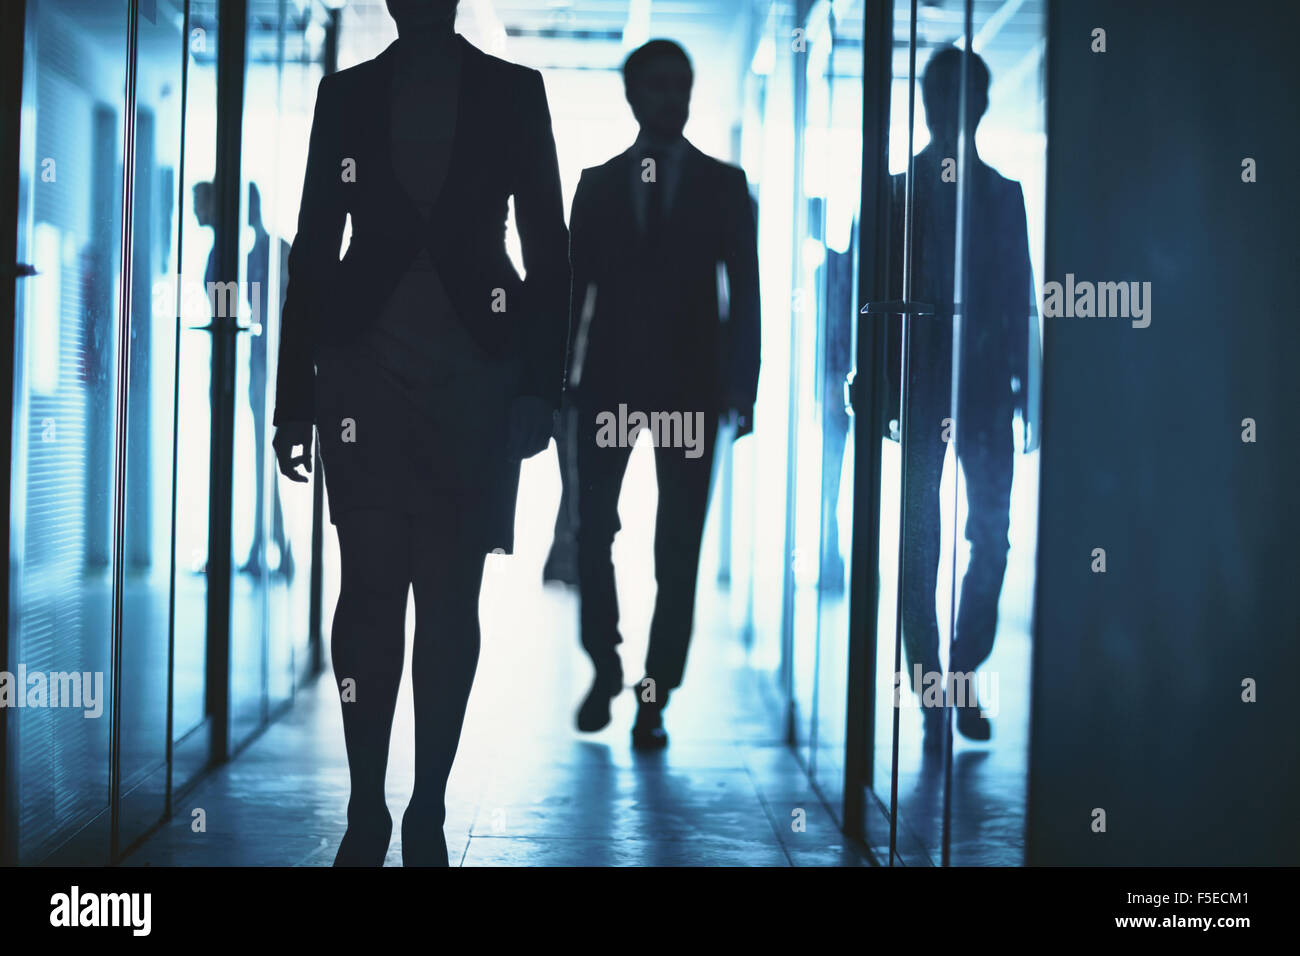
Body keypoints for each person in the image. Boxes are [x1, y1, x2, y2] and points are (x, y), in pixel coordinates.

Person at [271, 0, 568, 865]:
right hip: (364, 364)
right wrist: (297, 398)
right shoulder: (346, 94)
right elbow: (314, 248)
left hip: (476, 368)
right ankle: (370, 803)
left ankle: (427, 805)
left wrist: (538, 389)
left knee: (447, 596)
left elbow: (549, 249)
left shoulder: (514, 92)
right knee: (369, 590)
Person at [567, 39, 760, 750]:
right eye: (657, 86)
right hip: (610, 386)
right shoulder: (596, 185)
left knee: (677, 548)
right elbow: (571, 296)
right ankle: (605, 662)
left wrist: (744, 385)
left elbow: (747, 293)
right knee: (595, 535)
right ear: (631, 96)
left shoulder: (724, 184)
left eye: (681, 86)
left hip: (691, 390)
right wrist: (554, 387)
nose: (671, 99)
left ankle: (654, 693)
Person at [887, 46, 1036, 748]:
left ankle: (957, 679)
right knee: (923, 539)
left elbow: (1021, 300)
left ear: (977, 106)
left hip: (981, 393)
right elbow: (875, 299)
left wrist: (1030, 393)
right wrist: (880, 383)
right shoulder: (894, 191)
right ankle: (933, 692)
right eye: (936, 96)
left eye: (957, 97)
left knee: (989, 538)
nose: (946, 110)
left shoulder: (1004, 195)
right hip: (923, 391)